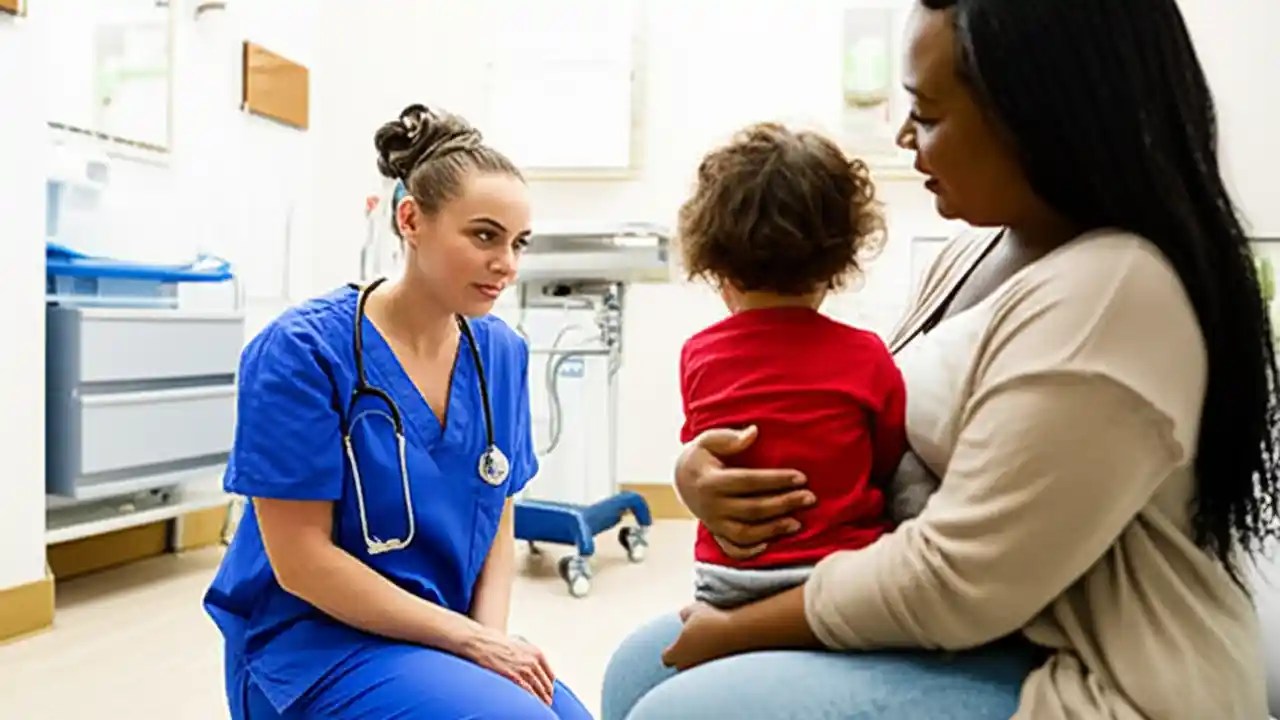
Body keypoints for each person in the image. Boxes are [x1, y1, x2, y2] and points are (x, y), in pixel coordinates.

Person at [601, 1, 1280, 718]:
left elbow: (958, 580)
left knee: (675, 711)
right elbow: (876, 447)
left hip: (1103, 683)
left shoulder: (1114, 293)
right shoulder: (974, 252)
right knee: (635, 671)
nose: (902, 136)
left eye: (926, 113)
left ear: (1039, 114)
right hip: (989, 639)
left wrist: (739, 628)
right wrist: (697, 473)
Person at [203, 104, 592, 719]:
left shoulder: (500, 352)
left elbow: (496, 519)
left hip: (436, 640)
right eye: (484, 236)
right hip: (313, 648)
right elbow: (300, 561)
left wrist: (487, 647)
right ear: (411, 219)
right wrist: (470, 643)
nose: (507, 264)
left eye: (518, 243)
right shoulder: (302, 352)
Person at [674, 122, 908, 610]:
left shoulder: (699, 354)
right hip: (838, 579)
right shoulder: (867, 356)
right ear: (836, 262)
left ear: (718, 264)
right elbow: (886, 464)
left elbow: (704, 451)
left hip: (726, 580)